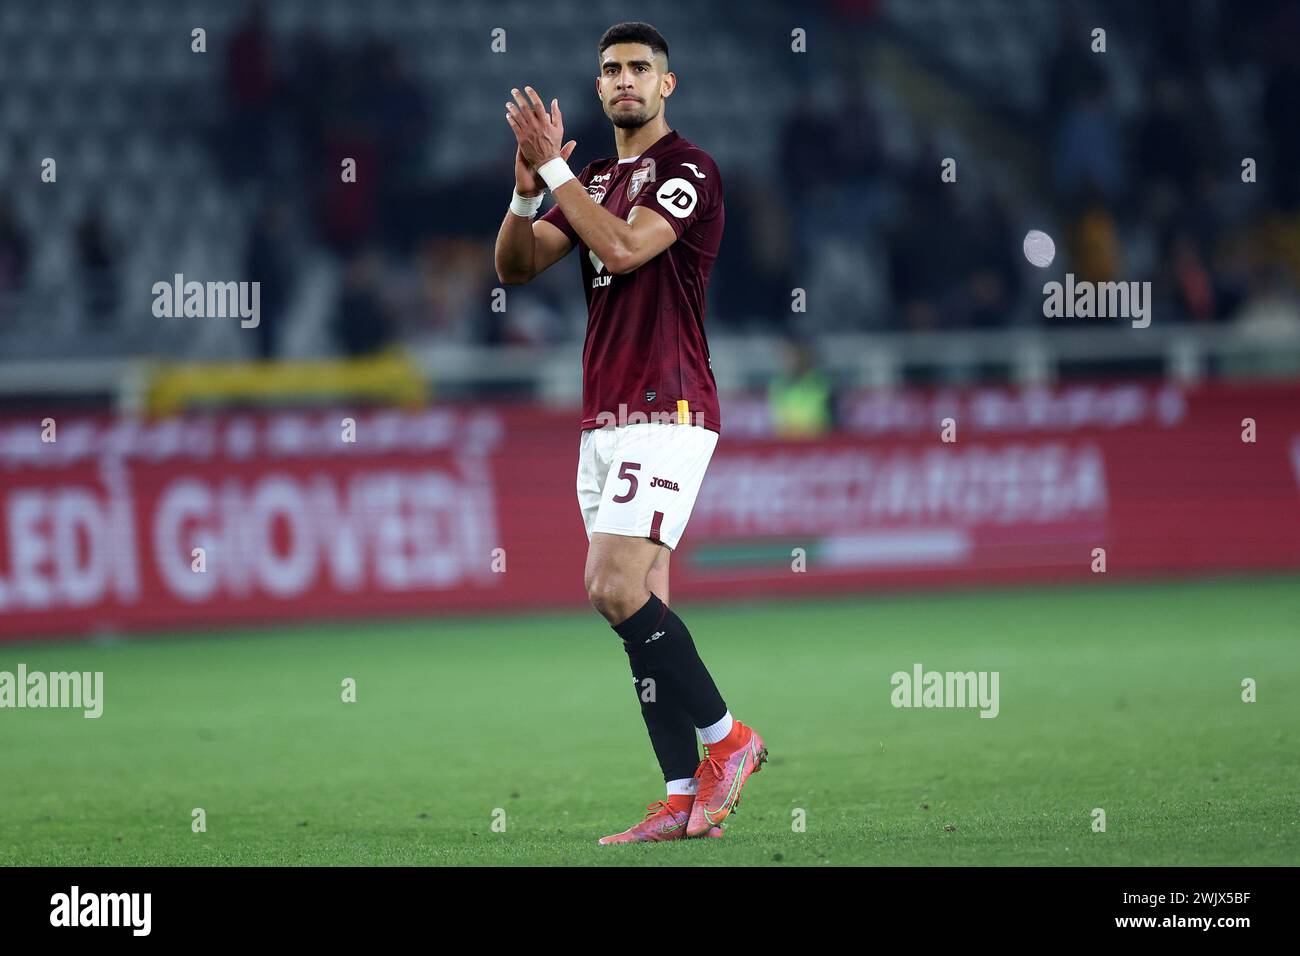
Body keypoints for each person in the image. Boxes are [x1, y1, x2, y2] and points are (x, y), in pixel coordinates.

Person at [493, 21, 767, 844]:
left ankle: (731, 741)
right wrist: (527, 190)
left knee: (610, 586)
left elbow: (620, 246)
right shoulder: (599, 177)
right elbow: (513, 266)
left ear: (666, 85)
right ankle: (683, 797)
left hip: (669, 403)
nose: (623, 80)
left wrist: (554, 169)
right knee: (639, 608)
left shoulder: (688, 171)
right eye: (611, 68)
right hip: (604, 415)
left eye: (639, 68)